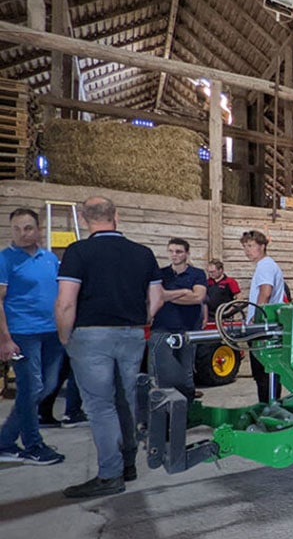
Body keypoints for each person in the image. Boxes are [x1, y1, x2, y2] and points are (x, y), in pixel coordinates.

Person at [56, 197, 163, 498]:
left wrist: (65, 336)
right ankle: (128, 463)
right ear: (116, 215)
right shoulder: (142, 253)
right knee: (125, 400)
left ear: (85, 218)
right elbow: (155, 300)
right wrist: (143, 321)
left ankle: (110, 475)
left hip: (91, 336)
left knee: (100, 406)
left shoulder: (78, 252)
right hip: (131, 335)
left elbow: (66, 302)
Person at [0, 208, 65, 465]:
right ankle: (33, 445)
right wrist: (5, 339)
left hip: (51, 332)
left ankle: (5, 441)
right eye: (16, 229)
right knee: (31, 387)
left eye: (27, 228)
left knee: (46, 386)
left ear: (38, 229)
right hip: (23, 333)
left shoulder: (49, 259)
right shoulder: (5, 259)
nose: (22, 234)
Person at [148, 238, 205, 404]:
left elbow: (197, 297)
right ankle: (160, 407)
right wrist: (184, 292)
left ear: (187, 253)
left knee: (185, 371)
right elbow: (155, 296)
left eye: (179, 251)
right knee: (158, 370)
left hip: (188, 329)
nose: (174, 255)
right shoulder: (160, 273)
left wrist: (167, 296)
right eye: (171, 251)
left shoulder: (197, 274)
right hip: (162, 328)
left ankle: (186, 410)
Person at [241, 230, 284, 404]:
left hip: (262, 328)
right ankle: (269, 406)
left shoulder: (265, 265)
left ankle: (269, 407)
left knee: (265, 374)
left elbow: (266, 292)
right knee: (265, 374)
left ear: (262, 246)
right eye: (245, 247)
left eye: (250, 246)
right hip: (264, 326)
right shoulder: (265, 265)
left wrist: (256, 319)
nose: (247, 250)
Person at [204, 258, 240, 323]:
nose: (210, 274)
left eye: (213, 272)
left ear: (220, 270)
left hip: (224, 316)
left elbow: (239, 298)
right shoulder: (207, 282)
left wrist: (229, 311)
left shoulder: (230, 282)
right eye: (209, 272)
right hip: (209, 316)